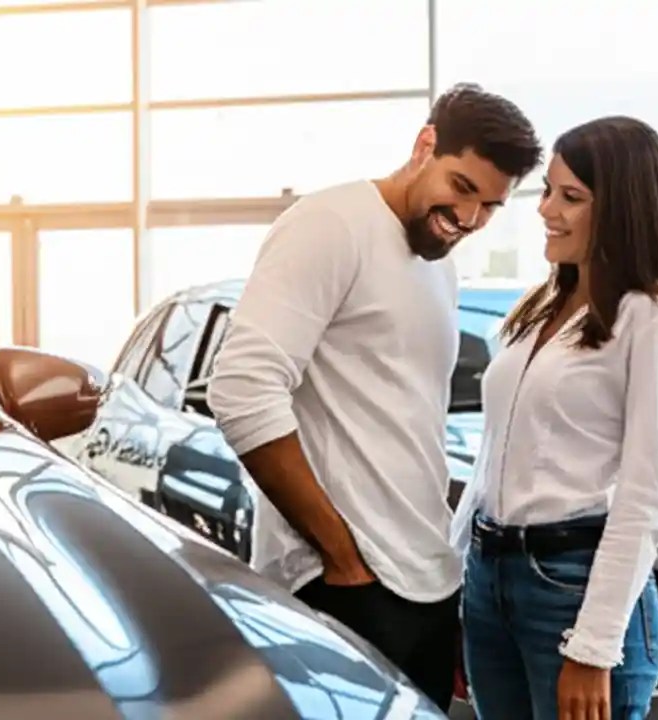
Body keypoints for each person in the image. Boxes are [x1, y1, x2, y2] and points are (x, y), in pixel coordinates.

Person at [207, 82, 542, 709]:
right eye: (461, 187)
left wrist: (444, 581)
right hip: (346, 585)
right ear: (425, 145)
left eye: (491, 206)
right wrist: (342, 559)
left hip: (423, 582)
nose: (469, 218)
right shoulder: (331, 224)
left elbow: (410, 426)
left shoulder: (440, 266)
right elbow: (242, 388)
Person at [450, 115, 658, 720]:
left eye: (571, 197)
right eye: (548, 190)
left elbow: (645, 497)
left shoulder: (653, 318)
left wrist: (594, 647)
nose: (546, 209)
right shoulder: (542, 308)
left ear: (621, 209)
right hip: (490, 578)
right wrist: (455, 580)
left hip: (572, 588)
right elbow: (492, 459)